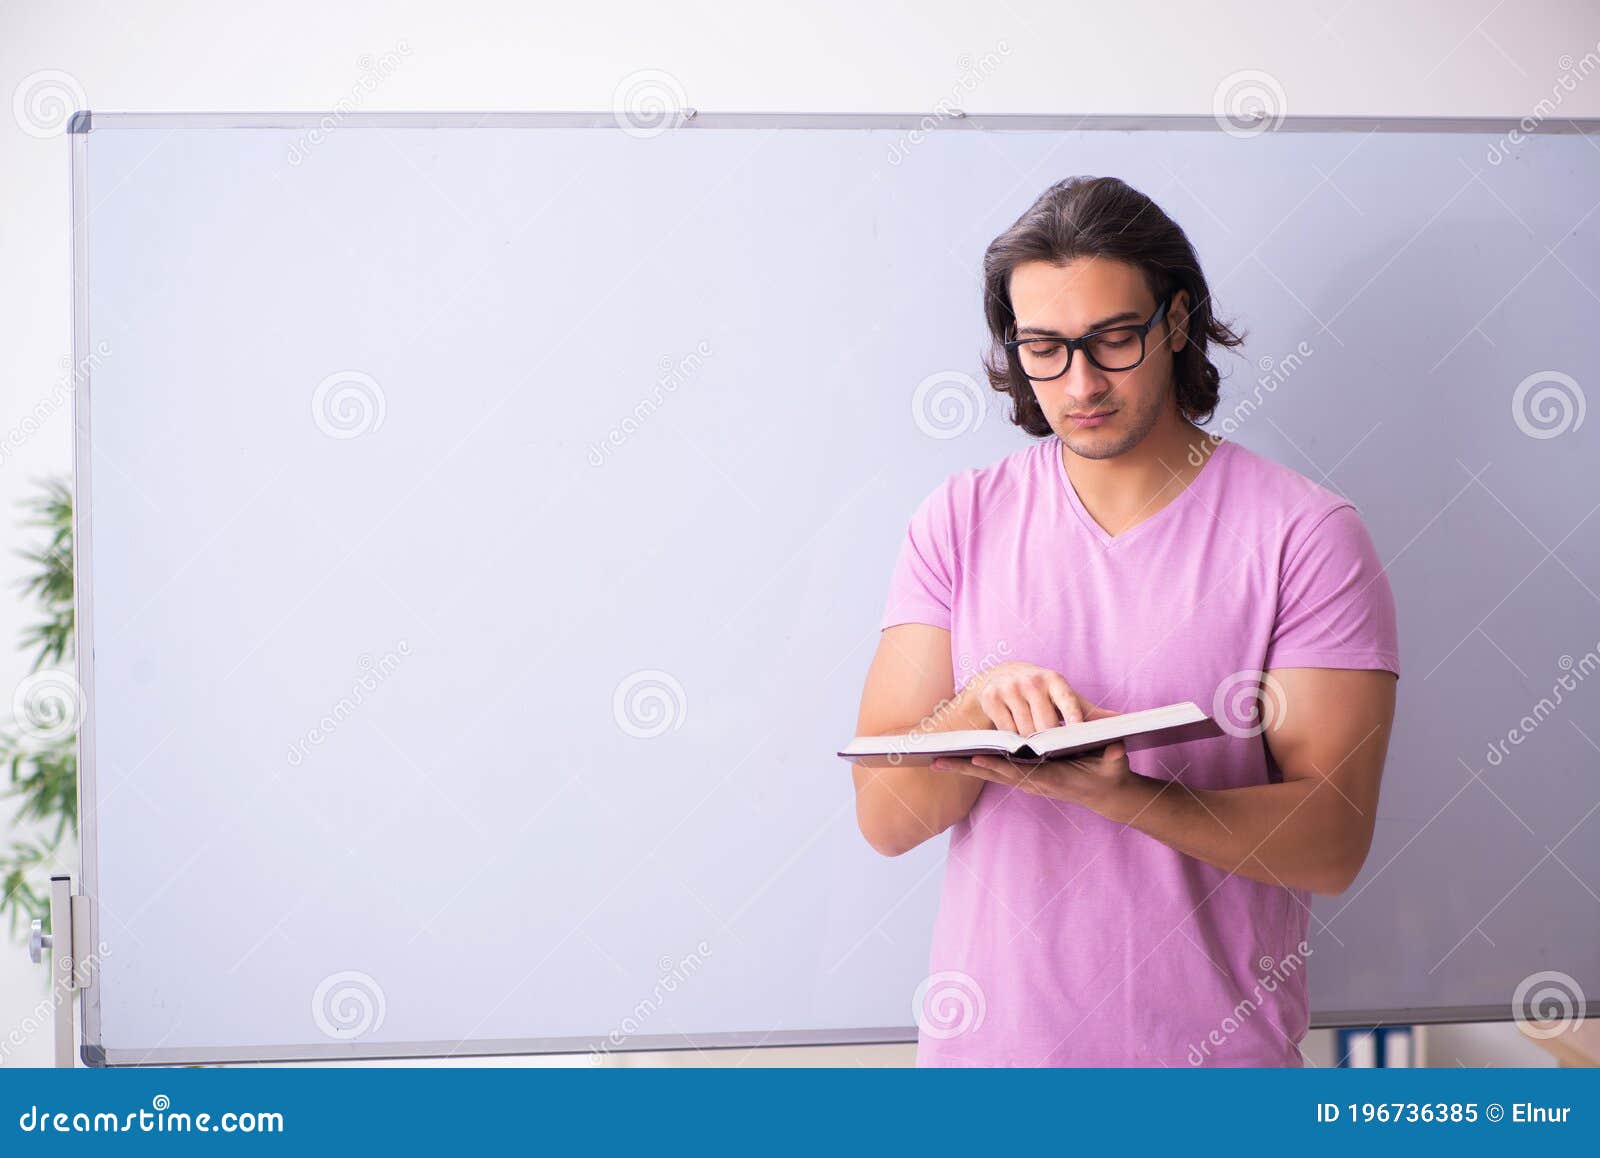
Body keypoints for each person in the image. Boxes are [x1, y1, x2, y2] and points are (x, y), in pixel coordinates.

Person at [850, 175, 1400, 1067]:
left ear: (1176, 322)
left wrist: (1128, 797)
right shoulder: (959, 518)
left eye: (1113, 340)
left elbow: (1331, 843)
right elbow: (885, 817)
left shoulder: (1304, 534)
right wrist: (973, 711)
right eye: (1044, 349)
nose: (1080, 383)